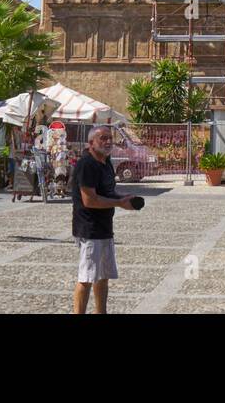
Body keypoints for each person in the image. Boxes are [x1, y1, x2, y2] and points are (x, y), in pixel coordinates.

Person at [70, 125, 143, 314]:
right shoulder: (87, 164)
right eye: (102, 138)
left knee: (103, 276)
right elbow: (90, 200)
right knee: (86, 278)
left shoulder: (106, 162)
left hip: (104, 227)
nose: (108, 141)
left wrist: (122, 197)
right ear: (91, 143)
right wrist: (119, 203)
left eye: (110, 138)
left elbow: (107, 193)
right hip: (89, 228)